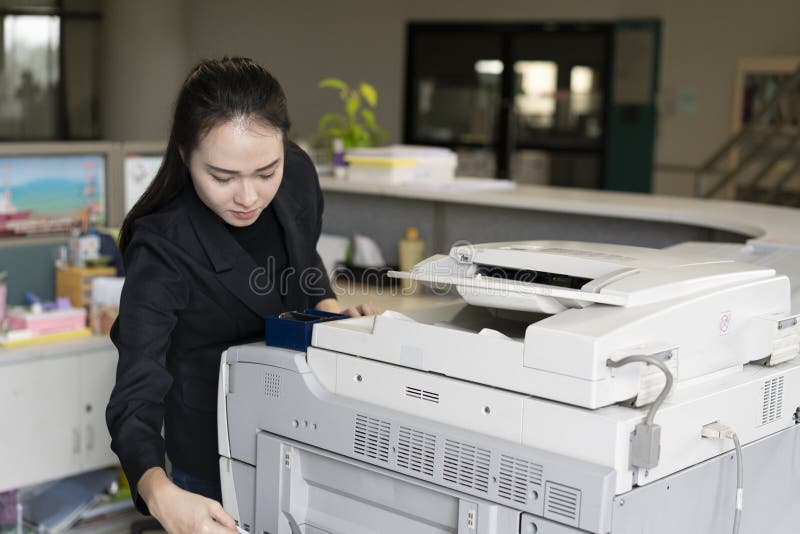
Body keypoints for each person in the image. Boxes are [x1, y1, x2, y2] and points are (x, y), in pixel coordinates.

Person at [106, 57, 376, 534]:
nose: (249, 197)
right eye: (223, 177)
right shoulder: (164, 245)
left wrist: (330, 316)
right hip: (213, 455)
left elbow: (303, 261)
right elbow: (135, 392)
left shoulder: (295, 174)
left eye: (264, 171)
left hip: (303, 431)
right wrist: (159, 490)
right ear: (186, 155)